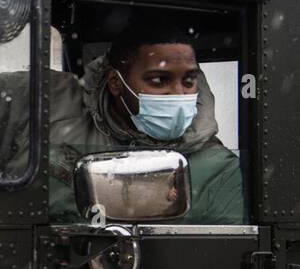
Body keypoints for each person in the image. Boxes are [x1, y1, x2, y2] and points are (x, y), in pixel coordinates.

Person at [49, 20, 243, 223]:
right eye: (159, 80)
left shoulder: (219, 167)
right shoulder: (59, 122)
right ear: (116, 83)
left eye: (188, 81)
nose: (178, 94)